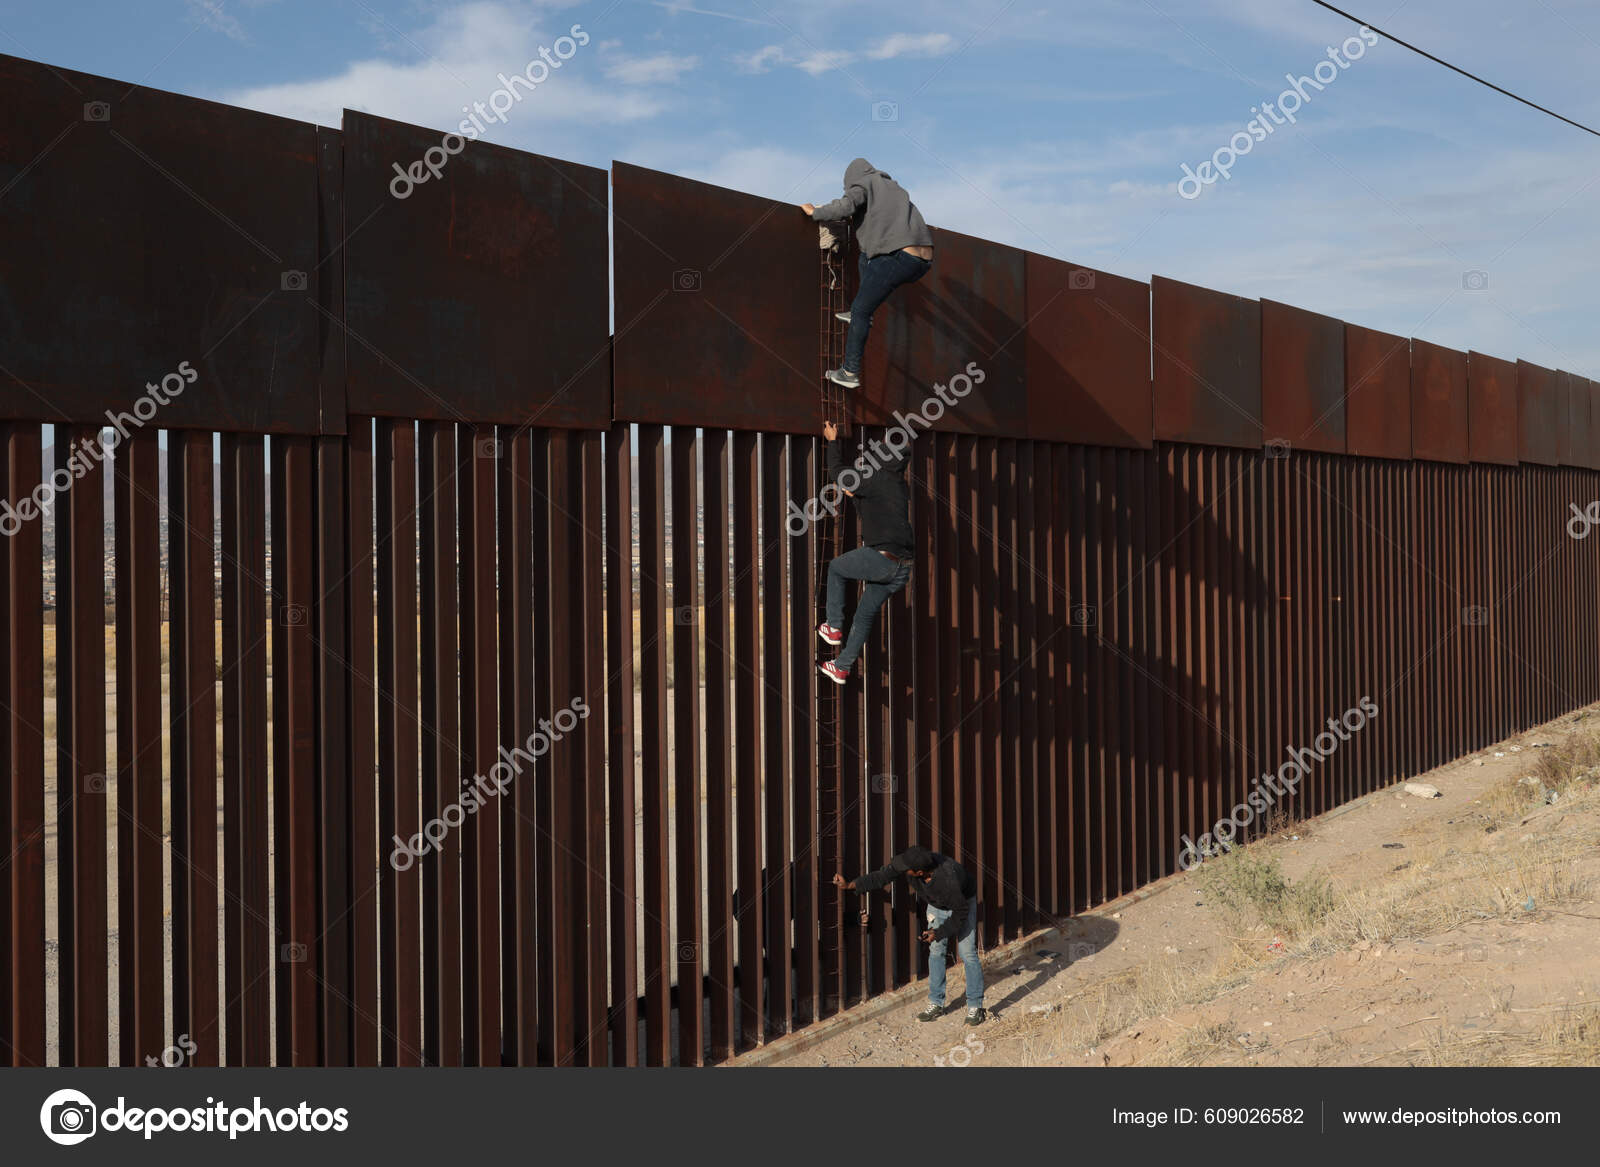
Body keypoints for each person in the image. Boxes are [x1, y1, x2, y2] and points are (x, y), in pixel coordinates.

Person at [802, 158, 934, 389]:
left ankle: (849, 372)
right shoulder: (895, 189)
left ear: (851, 179)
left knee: (861, 310)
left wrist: (816, 212)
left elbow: (846, 206)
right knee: (866, 256)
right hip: (922, 260)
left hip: (900, 257)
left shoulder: (863, 185)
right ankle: (860, 313)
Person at [833, 844, 985, 1025]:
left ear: (919, 872)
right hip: (937, 905)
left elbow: (960, 912)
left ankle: (975, 1007)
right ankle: (936, 1003)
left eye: (907, 869)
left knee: (967, 953)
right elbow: (882, 876)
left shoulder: (947, 880)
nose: (902, 869)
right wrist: (851, 884)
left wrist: (938, 932)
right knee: (936, 952)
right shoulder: (912, 865)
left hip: (962, 902)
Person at [817, 419, 911, 686]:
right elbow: (874, 514)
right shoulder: (897, 485)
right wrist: (856, 497)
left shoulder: (877, 478)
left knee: (836, 567)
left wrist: (832, 441)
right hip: (901, 567)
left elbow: (837, 471)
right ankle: (841, 667)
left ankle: (833, 627)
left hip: (882, 561)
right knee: (864, 615)